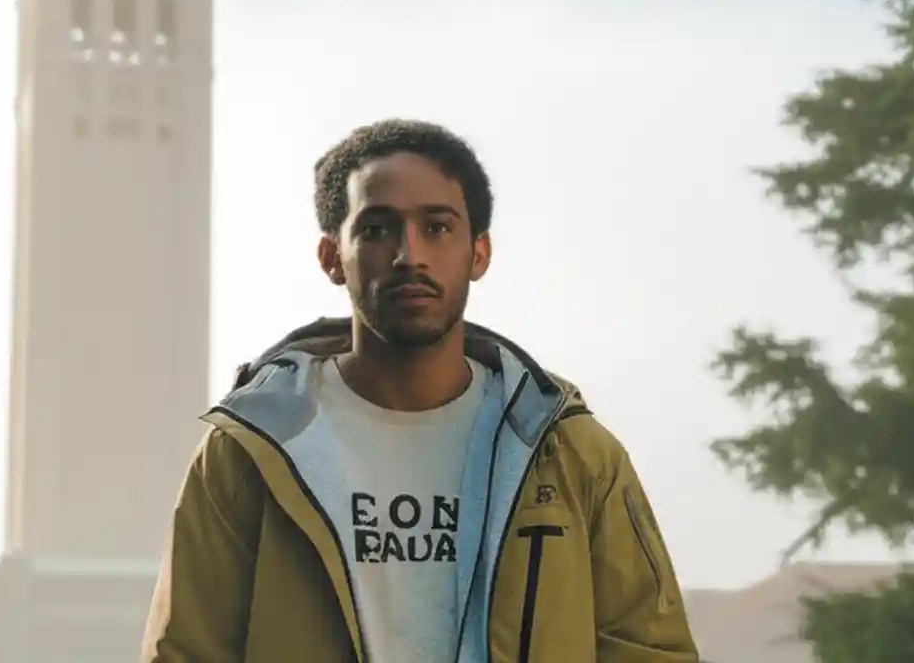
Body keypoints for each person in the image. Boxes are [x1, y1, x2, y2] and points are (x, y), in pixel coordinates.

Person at [141, 119, 699, 662]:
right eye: (377, 229)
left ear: (478, 253)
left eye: (437, 227)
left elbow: (649, 648)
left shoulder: (571, 454)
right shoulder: (251, 453)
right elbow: (187, 651)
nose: (410, 255)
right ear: (332, 256)